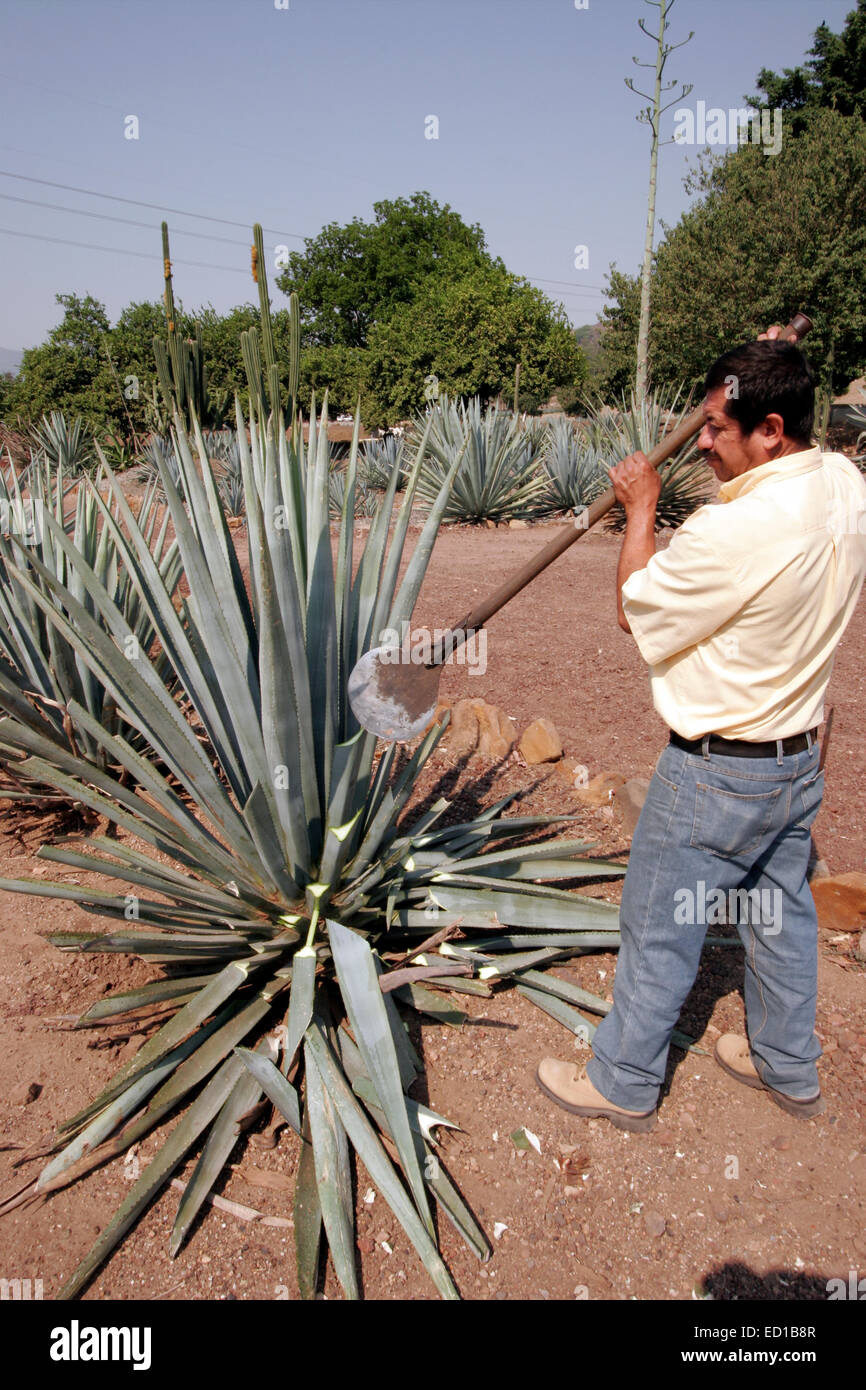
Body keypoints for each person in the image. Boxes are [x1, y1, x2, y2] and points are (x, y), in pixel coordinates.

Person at [536, 328, 866, 1132]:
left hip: (716, 773)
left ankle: (621, 1082)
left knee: (661, 922)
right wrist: (762, 359)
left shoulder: (732, 534)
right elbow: (791, 440)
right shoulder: (844, 482)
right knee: (779, 916)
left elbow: (631, 608)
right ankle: (788, 1067)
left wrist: (644, 508)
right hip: (794, 764)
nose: (703, 443)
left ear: (772, 432)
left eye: (717, 429)